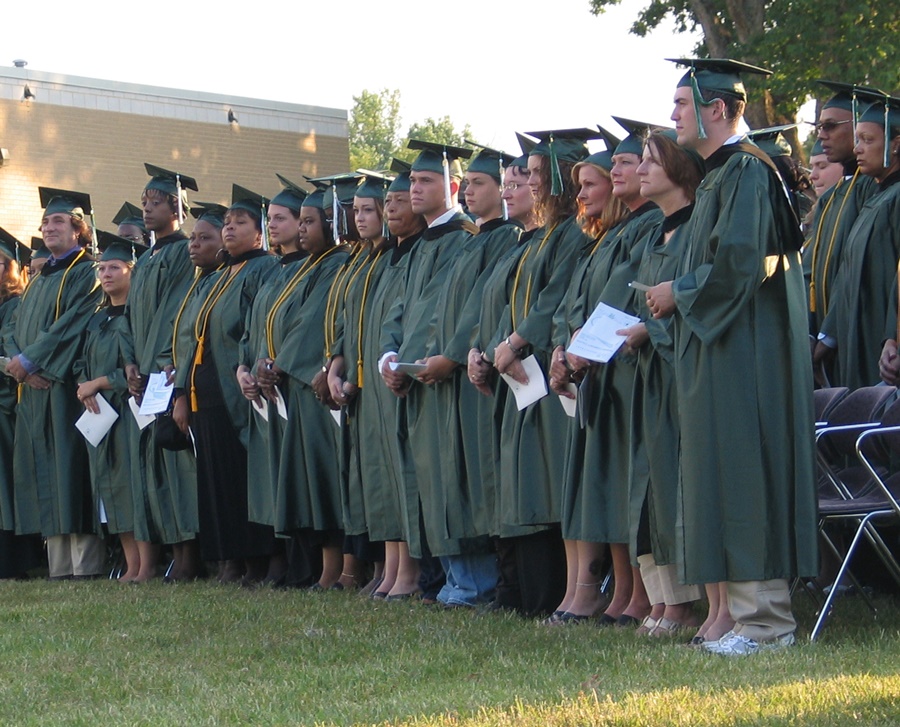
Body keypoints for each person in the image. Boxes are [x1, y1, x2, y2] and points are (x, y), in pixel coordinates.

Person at [645, 58, 818, 655]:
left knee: (747, 474)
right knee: (723, 473)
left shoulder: (746, 171)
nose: (673, 116)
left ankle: (766, 623)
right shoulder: (720, 175)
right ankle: (743, 619)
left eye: (682, 105)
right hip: (720, 348)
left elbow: (741, 262)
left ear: (716, 109)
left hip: (748, 352)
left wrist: (680, 291)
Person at [547, 120, 661, 626]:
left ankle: (638, 595)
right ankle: (620, 593)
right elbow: (575, 303)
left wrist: (579, 352)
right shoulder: (606, 238)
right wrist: (561, 348)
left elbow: (621, 297)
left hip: (626, 366)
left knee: (623, 481)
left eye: (624, 163)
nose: (616, 171)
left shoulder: (648, 227)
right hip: (595, 367)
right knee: (603, 481)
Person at [379, 139, 488, 608]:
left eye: (426, 180)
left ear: (453, 187)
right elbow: (400, 308)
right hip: (415, 373)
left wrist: (419, 358)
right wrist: (389, 356)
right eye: (412, 181)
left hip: (442, 375)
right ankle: (448, 578)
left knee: (450, 480)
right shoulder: (419, 246)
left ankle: (470, 582)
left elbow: (440, 311)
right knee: (425, 477)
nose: (415, 188)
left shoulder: (462, 240)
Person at [612, 130, 706, 637]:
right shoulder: (656, 235)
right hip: (649, 376)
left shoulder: (695, 231)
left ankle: (686, 602)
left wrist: (652, 329)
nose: (641, 169)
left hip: (682, 374)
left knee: (675, 485)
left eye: (651, 161)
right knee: (648, 489)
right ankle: (664, 599)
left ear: (679, 169)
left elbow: (700, 303)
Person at [175, 186, 279, 584]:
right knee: (217, 480)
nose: (230, 228)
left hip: (236, 389)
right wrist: (182, 391)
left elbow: (255, 326)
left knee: (242, 476)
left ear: (259, 232)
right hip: (206, 392)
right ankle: (230, 558)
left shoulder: (263, 269)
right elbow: (193, 337)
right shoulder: (218, 277)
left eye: (240, 223)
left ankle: (258, 558)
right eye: (227, 223)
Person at [7, 188, 105, 580]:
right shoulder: (37, 279)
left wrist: (33, 361)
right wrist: (19, 366)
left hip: (64, 387)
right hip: (33, 388)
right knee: (44, 469)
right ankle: (59, 564)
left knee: (70, 467)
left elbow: (72, 325)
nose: (49, 227)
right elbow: (13, 328)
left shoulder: (86, 273)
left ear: (78, 230)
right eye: (46, 222)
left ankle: (85, 563)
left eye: (59, 221)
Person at [255, 183, 348, 589]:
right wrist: (261, 362)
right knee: (309, 479)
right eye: (303, 221)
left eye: (310, 221)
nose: (304, 229)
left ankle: (340, 567)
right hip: (292, 383)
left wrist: (280, 363)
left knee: (326, 476)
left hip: (314, 381)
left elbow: (312, 323)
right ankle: (324, 567)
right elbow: (271, 322)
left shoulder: (336, 264)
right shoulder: (306, 267)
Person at [126, 164, 201, 581]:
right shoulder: (146, 258)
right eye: (144, 202)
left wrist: (157, 362)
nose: (147, 209)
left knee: (177, 463)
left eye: (156, 202)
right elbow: (129, 318)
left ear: (177, 208)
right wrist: (129, 363)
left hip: (167, 370)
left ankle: (190, 555)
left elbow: (177, 312)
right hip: (144, 372)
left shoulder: (181, 254)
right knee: (155, 466)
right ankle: (173, 551)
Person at [360, 162, 427, 599]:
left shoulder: (423, 250)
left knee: (404, 467)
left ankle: (409, 570)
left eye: (399, 200)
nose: (391, 209)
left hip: (406, 374)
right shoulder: (387, 258)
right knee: (384, 470)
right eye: (388, 202)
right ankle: (392, 565)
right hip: (381, 372)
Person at [238, 175, 308, 587]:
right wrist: (243, 368)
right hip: (263, 389)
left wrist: (276, 366)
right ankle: (281, 560)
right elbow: (250, 330)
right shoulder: (272, 272)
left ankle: (302, 564)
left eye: (281, 218)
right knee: (270, 475)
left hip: (289, 385)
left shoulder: (311, 269)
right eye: (271, 218)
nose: (273, 225)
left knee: (295, 474)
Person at [326, 173, 394, 592]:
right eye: (357, 210)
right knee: (363, 476)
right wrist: (335, 364)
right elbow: (346, 322)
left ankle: (387, 568)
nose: (360, 217)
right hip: (352, 377)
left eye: (369, 209)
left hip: (375, 381)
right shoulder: (359, 261)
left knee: (382, 475)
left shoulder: (390, 258)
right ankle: (378, 568)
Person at [76, 234, 150, 581]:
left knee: (133, 484)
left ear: (132, 271)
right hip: (100, 416)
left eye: (114, 268)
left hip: (130, 412)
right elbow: (81, 361)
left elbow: (139, 367)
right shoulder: (97, 318)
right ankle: (130, 563)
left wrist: (101, 382)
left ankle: (146, 564)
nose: (106, 274)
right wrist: (84, 386)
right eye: (102, 268)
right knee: (110, 487)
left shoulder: (138, 316)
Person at [826, 94, 900, 390]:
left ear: (896, 145)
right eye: (857, 139)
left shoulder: (896, 199)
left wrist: (892, 336)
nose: (857, 148)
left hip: (883, 347)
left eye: (867, 140)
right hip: (857, 339)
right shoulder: (876, 198)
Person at [808, 82, 880, 383]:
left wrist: (830, 333)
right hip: (826, 338)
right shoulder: (832, 197)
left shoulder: (873, 192)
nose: (821, 135)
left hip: (862, 333)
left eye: (829, 126)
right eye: (819, 127)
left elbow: (858, 269)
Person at [0, 229, 43, 578]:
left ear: (11, 268)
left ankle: (12, 560)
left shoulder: (15, 304)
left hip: (6, 403)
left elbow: (13, 351)